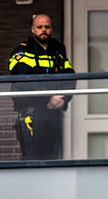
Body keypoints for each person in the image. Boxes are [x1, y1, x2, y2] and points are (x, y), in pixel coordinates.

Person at [8, 13, 75, 160]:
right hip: (31, 112)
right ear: (33, 29)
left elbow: (70, 76)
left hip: (54, 114)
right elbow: (22, 79)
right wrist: (48, 97)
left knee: (54, 158)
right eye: (39, 27)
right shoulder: (22, 51)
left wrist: (63, 99)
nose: (43, 30)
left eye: (47, 27)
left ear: (51, 29)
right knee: (33, 159)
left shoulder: (58, 50)